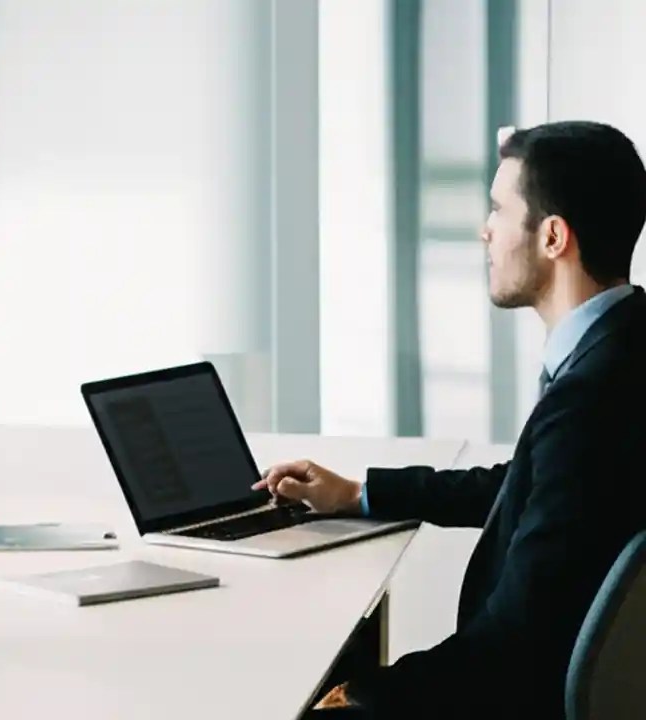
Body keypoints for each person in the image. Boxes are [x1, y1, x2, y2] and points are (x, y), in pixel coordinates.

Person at [259, 120, 646, 720]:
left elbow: (516, 640)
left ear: (552, 237)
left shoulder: (592, 397)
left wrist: (365, 695)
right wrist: (361, 494)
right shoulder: (624, 348)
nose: (483, 230)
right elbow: (530, 482)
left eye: (497, 209)